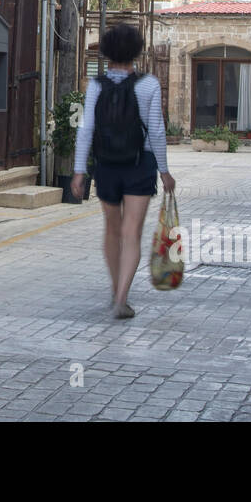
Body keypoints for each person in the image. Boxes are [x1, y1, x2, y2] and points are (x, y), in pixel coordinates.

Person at [70, 23, 175, 319]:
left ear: (107, 51)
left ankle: (115, 286)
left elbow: (86, 128)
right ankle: (122, 297)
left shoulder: (96, 85)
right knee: (131, 233)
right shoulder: (149, 84)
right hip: (139, 164)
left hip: (105, 166)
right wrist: (165, 171)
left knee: (111, 229)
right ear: (137, 51)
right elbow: (155, 130)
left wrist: (79, 171)